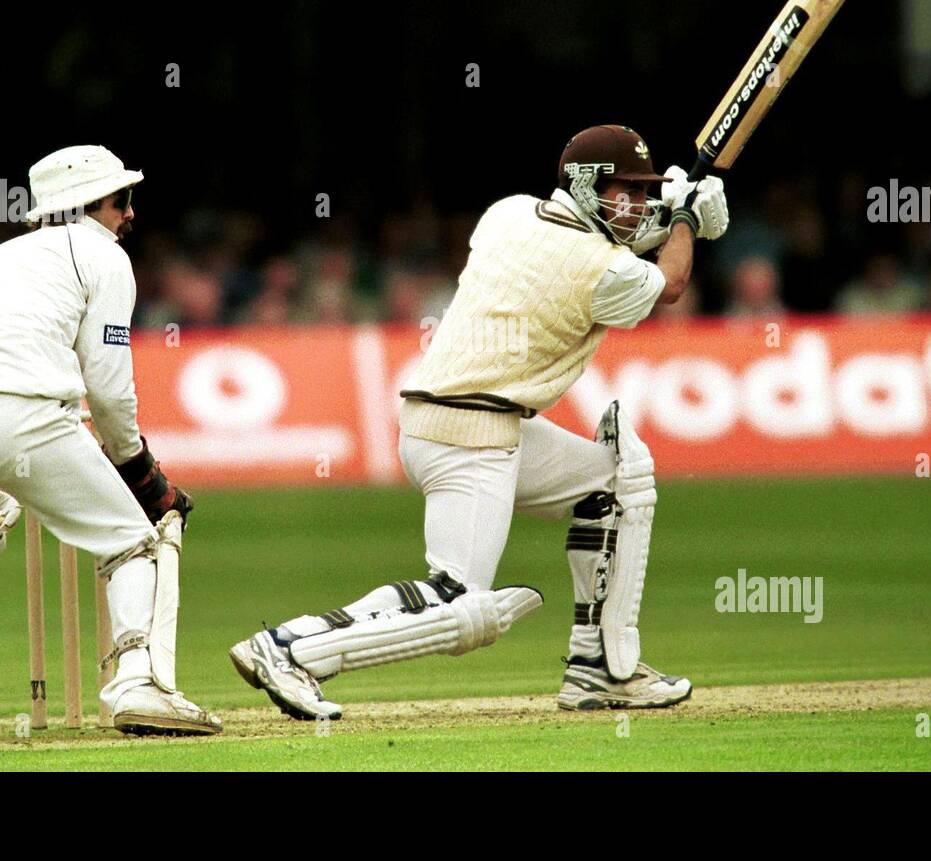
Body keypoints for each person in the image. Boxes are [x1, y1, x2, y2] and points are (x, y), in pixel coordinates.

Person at [230, 125, 728, 717]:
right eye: (627, 190)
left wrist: (669, 215)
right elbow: (667, 283)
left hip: (463, 420)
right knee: (459, 603)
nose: (637, 203)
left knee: (616, 479)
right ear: (588, 185)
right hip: (468, 432)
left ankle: (600, 667)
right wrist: (683, 221)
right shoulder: (598, 269)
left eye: (644, 192)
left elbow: (611, 242)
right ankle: (291, 648)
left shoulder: (509, 213)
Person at [0, 145, 220, 739]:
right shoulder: (103, 258)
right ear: (88, 205)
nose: (130, 213)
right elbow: (108, 386)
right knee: (137, 540)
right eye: (122, 200)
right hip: (22, 421)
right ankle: (141, 686)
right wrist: (137, 468)